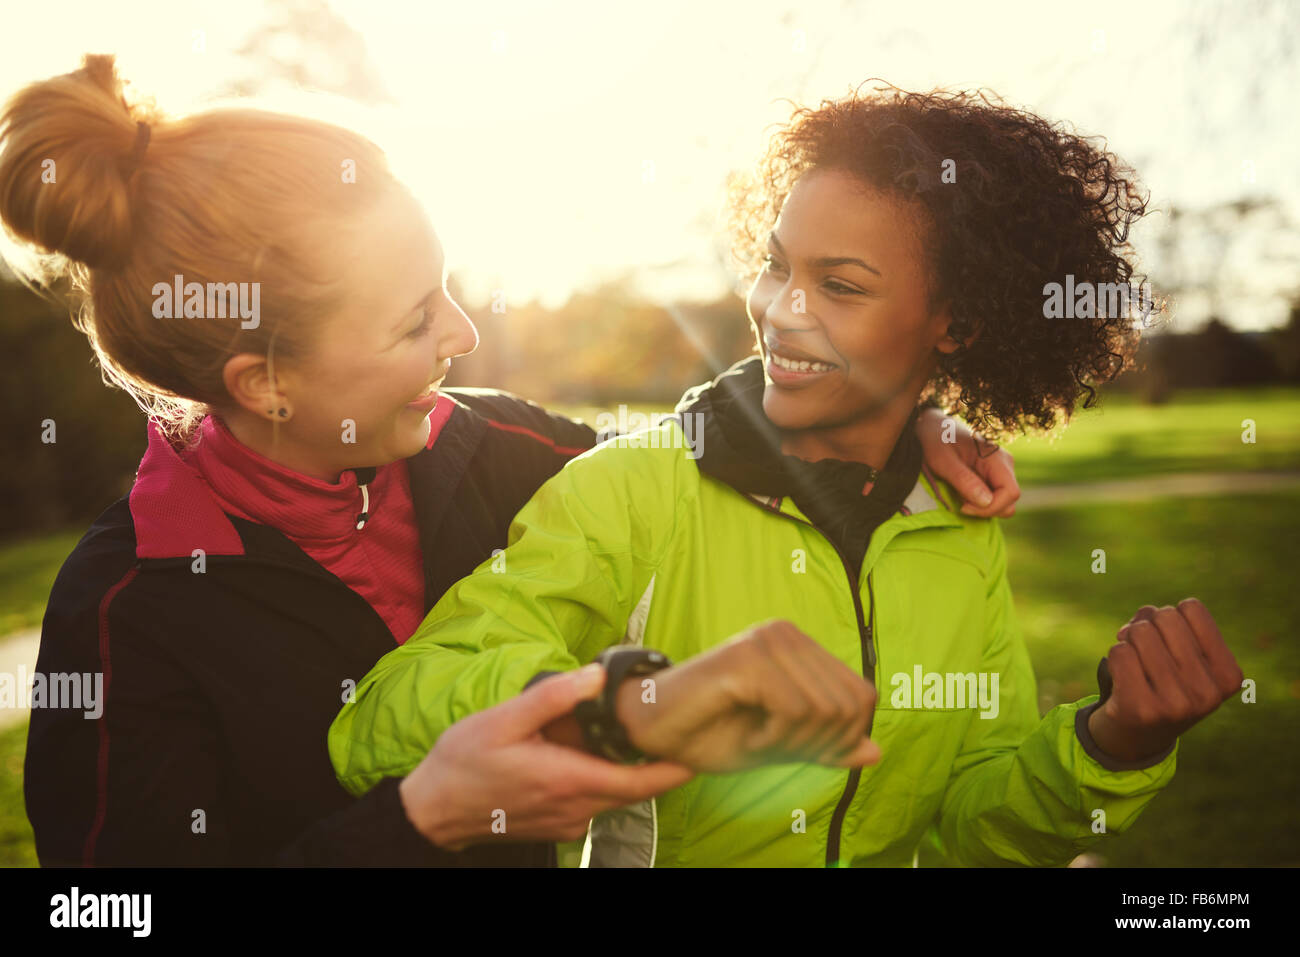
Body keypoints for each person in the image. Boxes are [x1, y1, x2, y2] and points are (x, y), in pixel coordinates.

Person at [0, 57, 1019, 866]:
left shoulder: (496, 445)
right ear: (266, 384)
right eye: (411, 322)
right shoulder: (124, 611)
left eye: (443, 288)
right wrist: (422, 823)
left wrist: (899, 423)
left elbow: (692, 456)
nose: (460, 335)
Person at [329, 85, 1244, 867]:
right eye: (776, 266)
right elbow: (381, 721)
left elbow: (972, 829)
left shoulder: (958, 527)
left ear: (956, 324)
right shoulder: (634, 489)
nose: (780, 310)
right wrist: (631, 702)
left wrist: (1112, 743)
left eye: (839, 286)